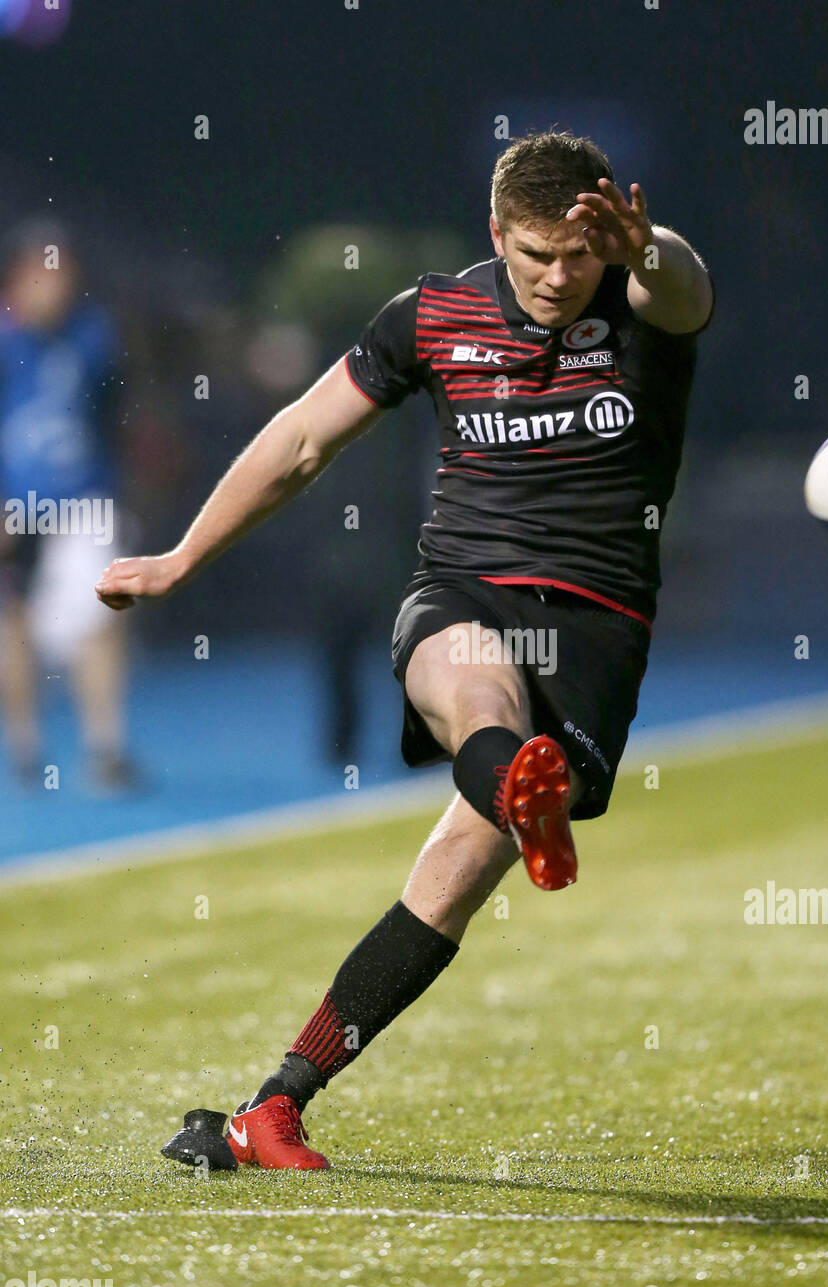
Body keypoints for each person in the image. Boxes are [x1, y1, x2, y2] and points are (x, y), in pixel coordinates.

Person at [96, 133, 714, 1169]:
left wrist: (646, 251)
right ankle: (517, 777)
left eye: (577, 255)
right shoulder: (434, 315)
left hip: (600, 632)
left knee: (444, 888)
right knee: (477, 682)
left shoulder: (642, 293)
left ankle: (270, 1108)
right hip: (463, 588)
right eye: (535, 255)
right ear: (496, 234)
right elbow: (301, 440)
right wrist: (181, 557)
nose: (560, 277)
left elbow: (684, 288)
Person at [0, 220, 137, 790]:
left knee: (103, 615)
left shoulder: (95, 336)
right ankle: (27, 747)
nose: (51, 286)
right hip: (15, 502)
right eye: (39, 273)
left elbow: (116, 420)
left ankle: (104, 748)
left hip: (83, 497)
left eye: (60, 273)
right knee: (14, 624)